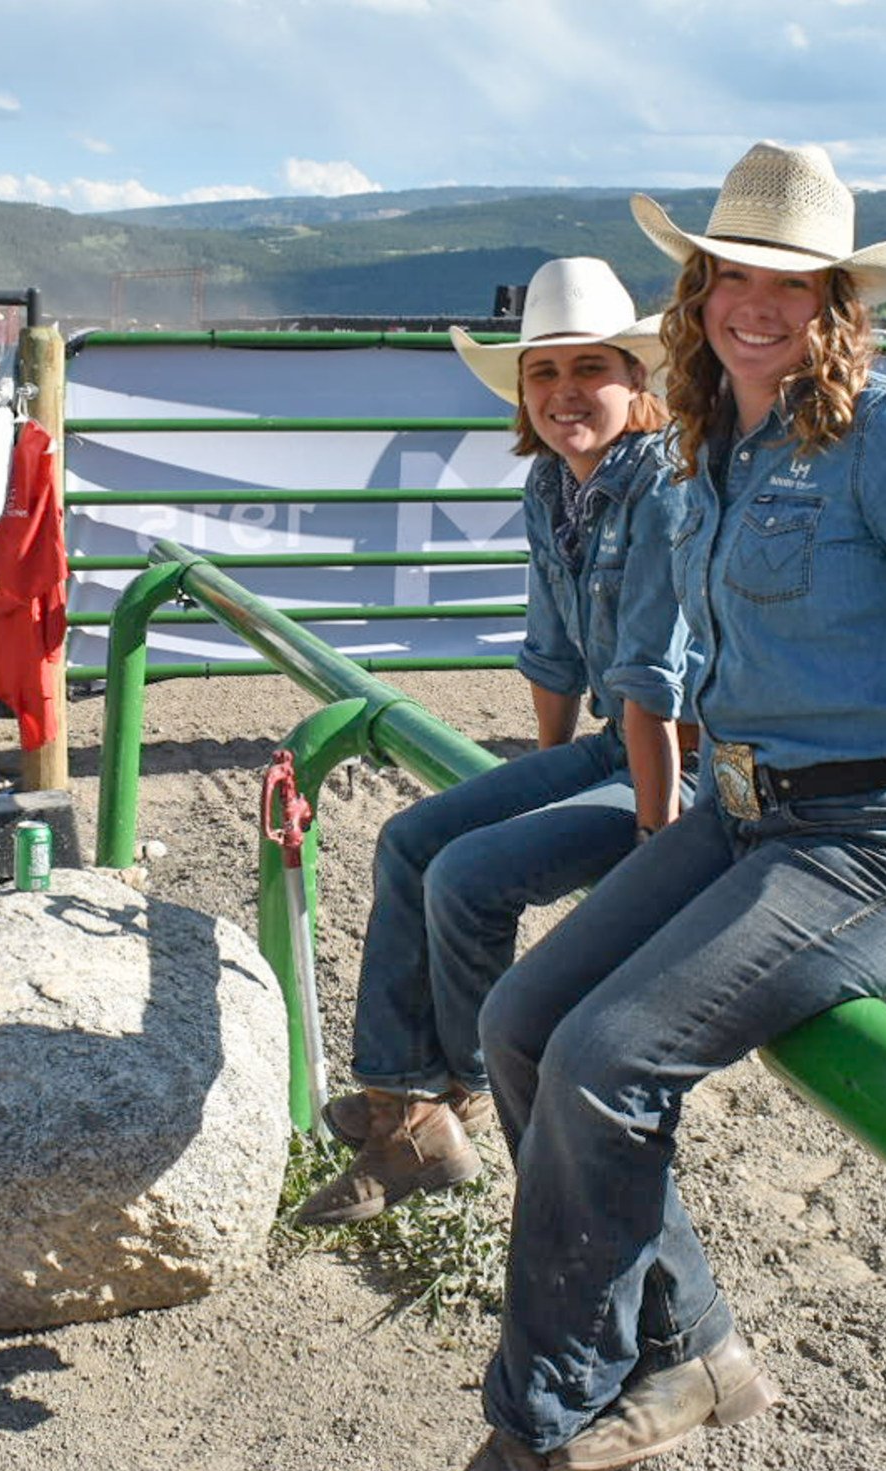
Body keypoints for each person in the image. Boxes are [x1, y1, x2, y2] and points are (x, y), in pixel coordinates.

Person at [444, 141, 886, 1471]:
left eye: (793, 283)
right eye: (734, 277)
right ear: (701, 288)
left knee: (607, 1054)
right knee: (525, 1022)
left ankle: (548, 1411)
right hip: (735, 812)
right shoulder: (717, 438)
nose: (757, 305)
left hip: (862, 837)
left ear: (837, 297)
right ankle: (699, 1345)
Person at [295, 256, 699, 1226]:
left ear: (634, 379)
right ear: (522, 390)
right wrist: (536, 774)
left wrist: (653, 840)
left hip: (693, 772)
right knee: (406, 841)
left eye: (588, 369)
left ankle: (448, 1101)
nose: (564, 393)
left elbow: (649, 677)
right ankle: (401, 1097)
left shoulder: (665, 486)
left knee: (465, 877)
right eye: (542, 373)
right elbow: (552, 650)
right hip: (618, 746)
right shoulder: (553, 487)